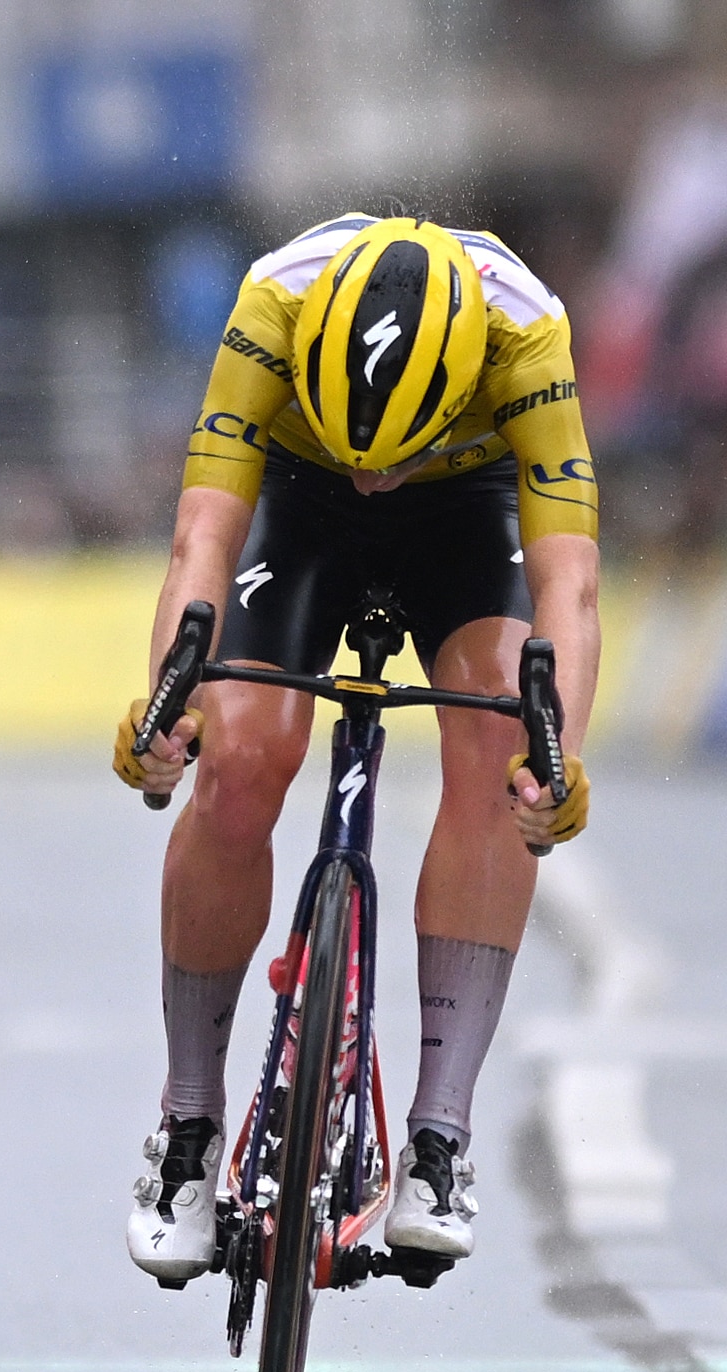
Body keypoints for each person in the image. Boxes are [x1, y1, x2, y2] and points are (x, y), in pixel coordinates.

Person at [115, 214, 601, 1282]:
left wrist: (553, 756)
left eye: (398, 455)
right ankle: (187, 1122)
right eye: (365, 458)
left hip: (465, 510)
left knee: (499, 746)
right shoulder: (269, 304)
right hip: (299, 495)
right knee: (237, 765)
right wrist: (167, 711)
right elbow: (201, 538)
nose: (378, 479)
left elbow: (566, 583)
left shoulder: (526, 331)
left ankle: (439, 1134)